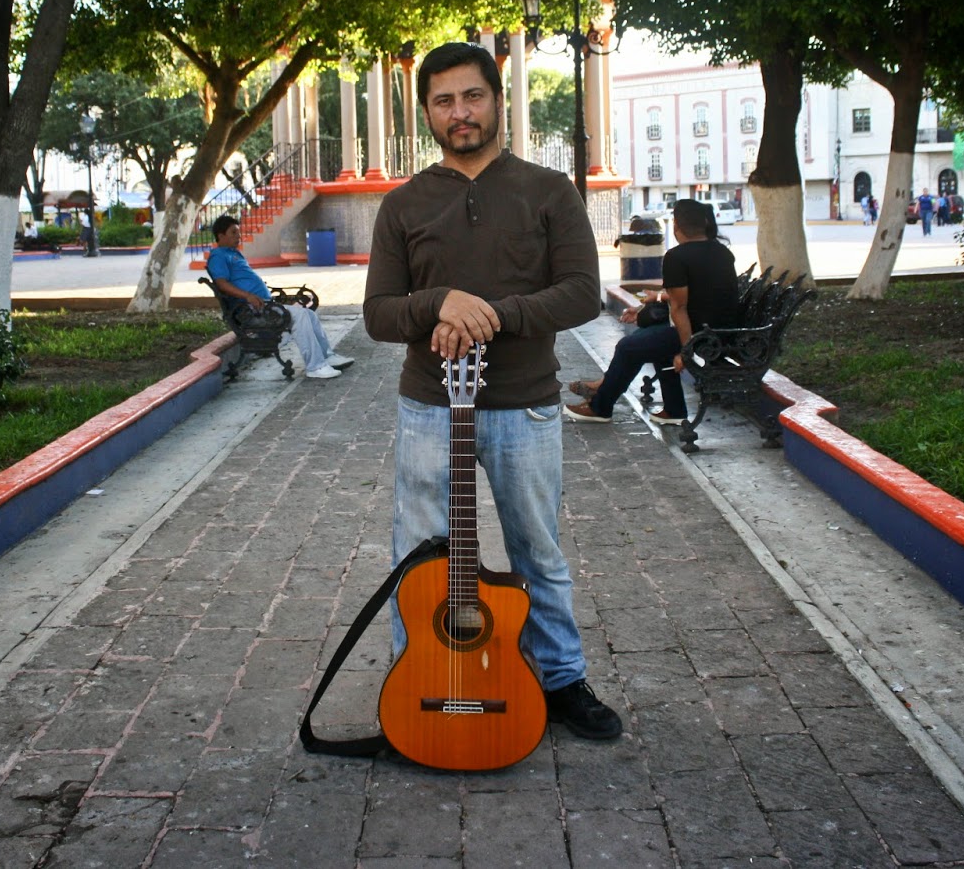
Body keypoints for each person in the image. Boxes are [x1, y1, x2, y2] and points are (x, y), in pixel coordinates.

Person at [363, 41, 621, 741]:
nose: (460, 112)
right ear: (427, 113)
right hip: (429, 406)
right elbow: (379, 314)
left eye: (472, 96)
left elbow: (581, 293)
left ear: (498, 100)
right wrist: (438, 302)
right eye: (443, 101)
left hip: (524, 407)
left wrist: (493, 315)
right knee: (422, 556)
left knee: (538, 550)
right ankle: (417, 677)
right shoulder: (403, 205)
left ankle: (561, 681)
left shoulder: (549, 191)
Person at [565, 199, 739, 426]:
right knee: (647, 342)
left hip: (702, 335)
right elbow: (699, 294)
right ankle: (673, 409)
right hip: (723, 332)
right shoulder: (722, 252)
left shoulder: (677, 256)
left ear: (676, 226)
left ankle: (600, 406)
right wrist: (655, 301)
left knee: (628, 347)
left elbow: (679, 307)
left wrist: (686, 352)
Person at [206, 214, 353, 379]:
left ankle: (327, 356)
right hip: (249, 312)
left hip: (264, 306)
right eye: (233, 232)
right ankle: (315, 366)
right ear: (221, 235)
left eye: (238, 232)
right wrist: (248, 296)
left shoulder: (233, 253)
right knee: (301, 315)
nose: (238, 236)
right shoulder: (218, 256)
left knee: (309, 314)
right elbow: (221, 283)